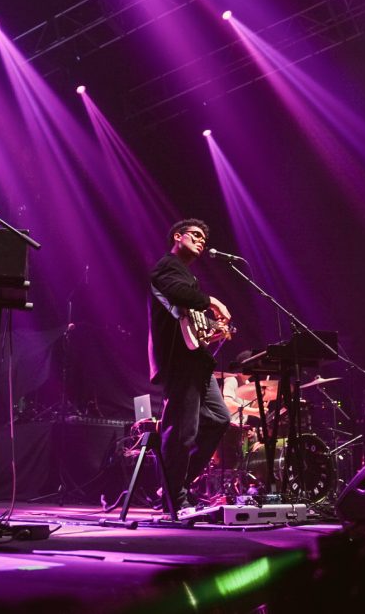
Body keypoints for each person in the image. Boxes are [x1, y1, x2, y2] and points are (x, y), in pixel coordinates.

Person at [148, 218, 232, 510]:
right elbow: (179, 295)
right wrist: (213, 301)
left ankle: (175, 487)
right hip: (180, 361)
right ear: (177, 236)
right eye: (195, 235)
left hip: (197, 361)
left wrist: (212, 328)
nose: (201, 241)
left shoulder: (186, 276)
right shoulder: (166, 266)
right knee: (182, 431)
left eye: (204, 239)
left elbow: (186, 316)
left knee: (220, 419)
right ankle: (175, 499)